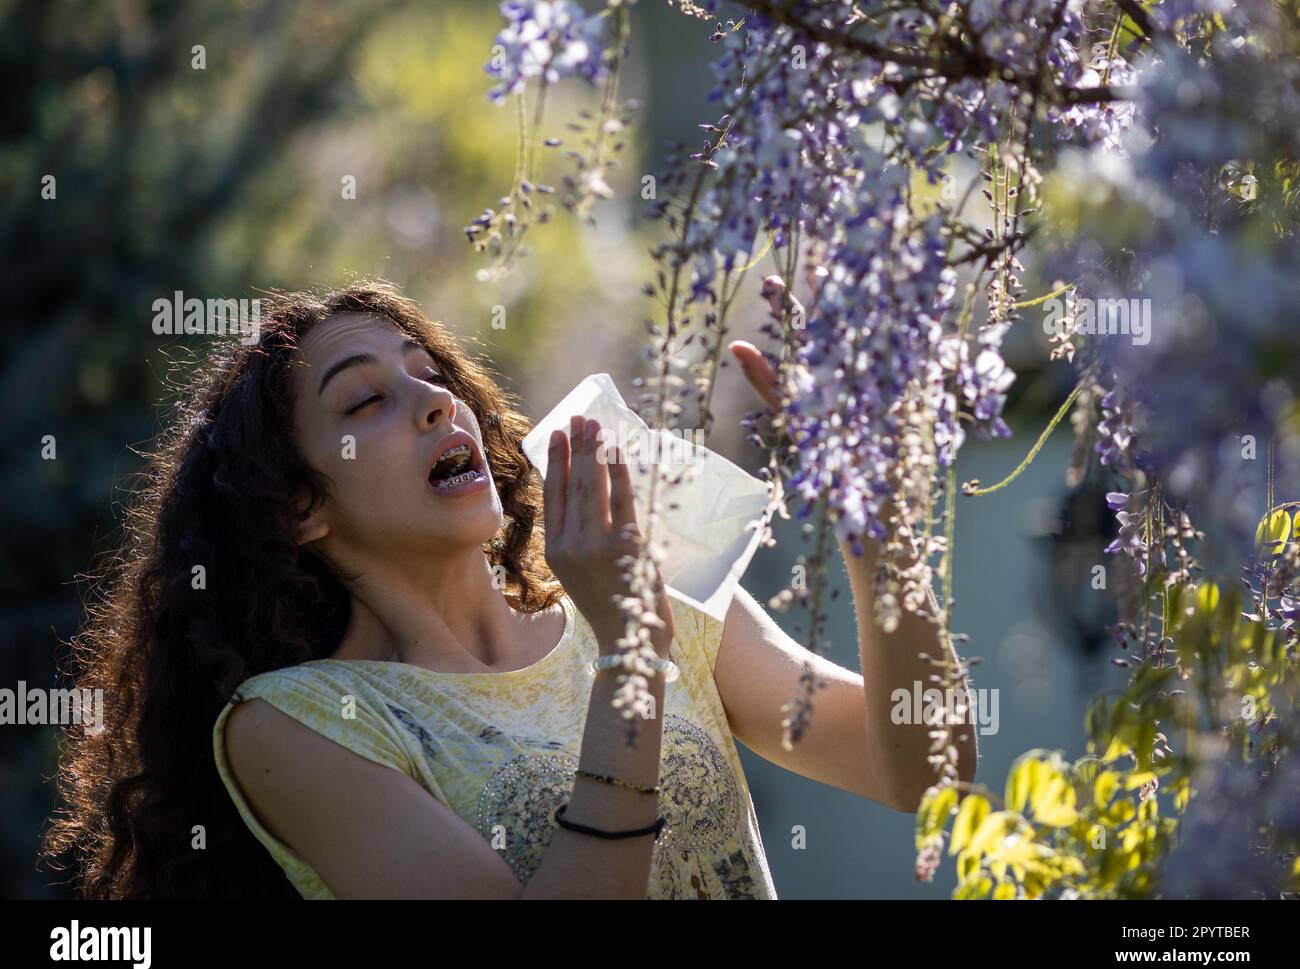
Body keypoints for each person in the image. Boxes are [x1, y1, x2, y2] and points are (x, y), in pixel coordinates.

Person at [42, 278, 976, 899]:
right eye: (366, 401)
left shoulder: (647, 594)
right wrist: (630, 654)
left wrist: (875, 520)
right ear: (298, 509)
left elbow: (924, 769)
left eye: (433, 374)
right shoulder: (296, 725)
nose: (438, 400)